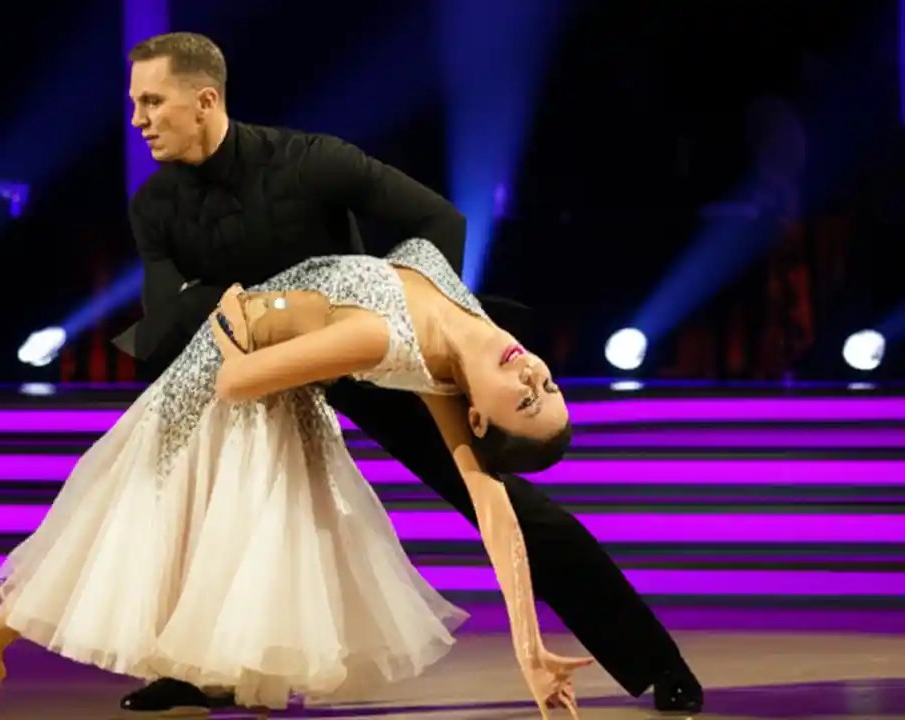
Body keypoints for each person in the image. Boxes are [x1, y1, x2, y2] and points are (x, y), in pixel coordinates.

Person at [114, 32, 702, 713]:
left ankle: (657, 662)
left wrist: (413, 324)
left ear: (204, 99)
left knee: (510, 507)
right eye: (137, 104)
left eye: (152, 102)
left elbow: (435, 219)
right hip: (256, 361)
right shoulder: (152, 206)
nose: (139, 121)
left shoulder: (309, 161)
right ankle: (198, 671)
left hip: (374, 352)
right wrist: (236, 328)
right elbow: (166, 311)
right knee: (211, 500)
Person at [0, 236, 593, 720]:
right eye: (549, 385)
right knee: (137, 544)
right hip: (250, 389)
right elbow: (494, 502)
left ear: (477, 418)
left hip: (227, 385)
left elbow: (237, 380)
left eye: (527, 402)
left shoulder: (392, 346)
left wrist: (240, 313)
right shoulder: (463, 331)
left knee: (156, 549)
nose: (534, 375)